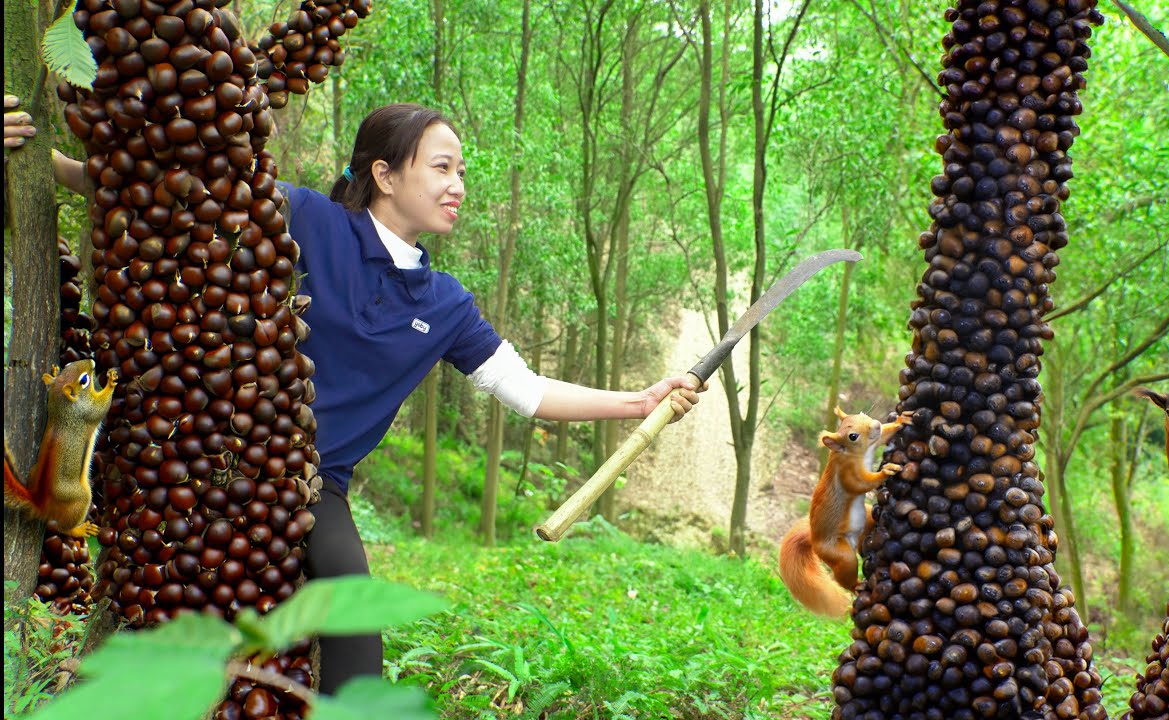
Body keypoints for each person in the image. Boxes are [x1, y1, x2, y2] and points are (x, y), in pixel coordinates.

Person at [6, 95, 705, 693]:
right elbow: (173, 200)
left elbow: (528, 392)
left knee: (356, 631)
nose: (459, 184)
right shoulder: (311, 219)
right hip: (219, 456)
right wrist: (45, 164)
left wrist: (640, 400)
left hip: (317, 485)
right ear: (383, 174)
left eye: (462, 170)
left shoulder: (447, 305)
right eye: (441, 167)